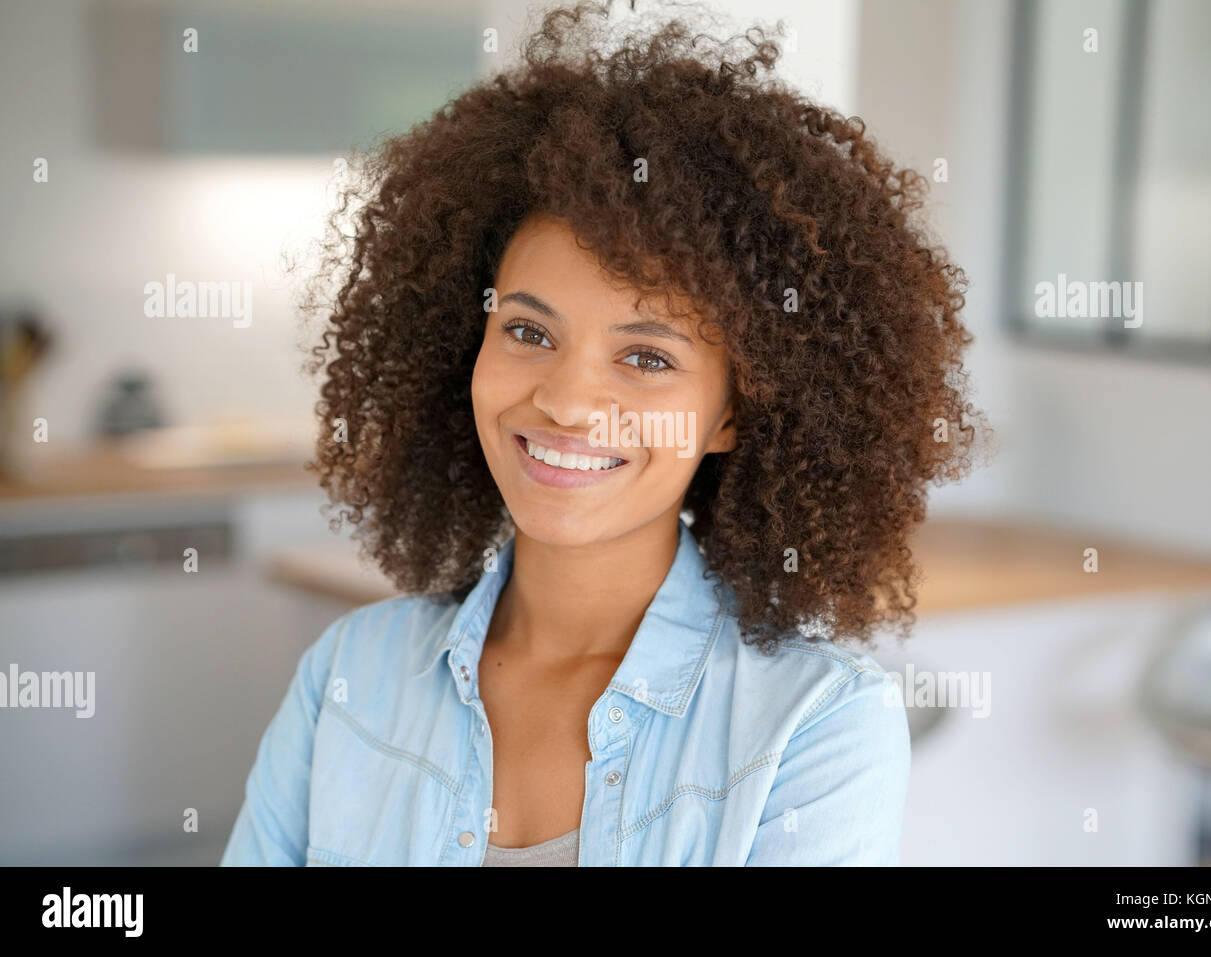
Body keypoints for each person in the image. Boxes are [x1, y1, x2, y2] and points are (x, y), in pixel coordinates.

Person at [222, 0, 986, 867]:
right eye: (529, 332)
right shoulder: (350, 674)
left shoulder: (815, 724)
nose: (570, 404)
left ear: (734, 410)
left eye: (648, 358)